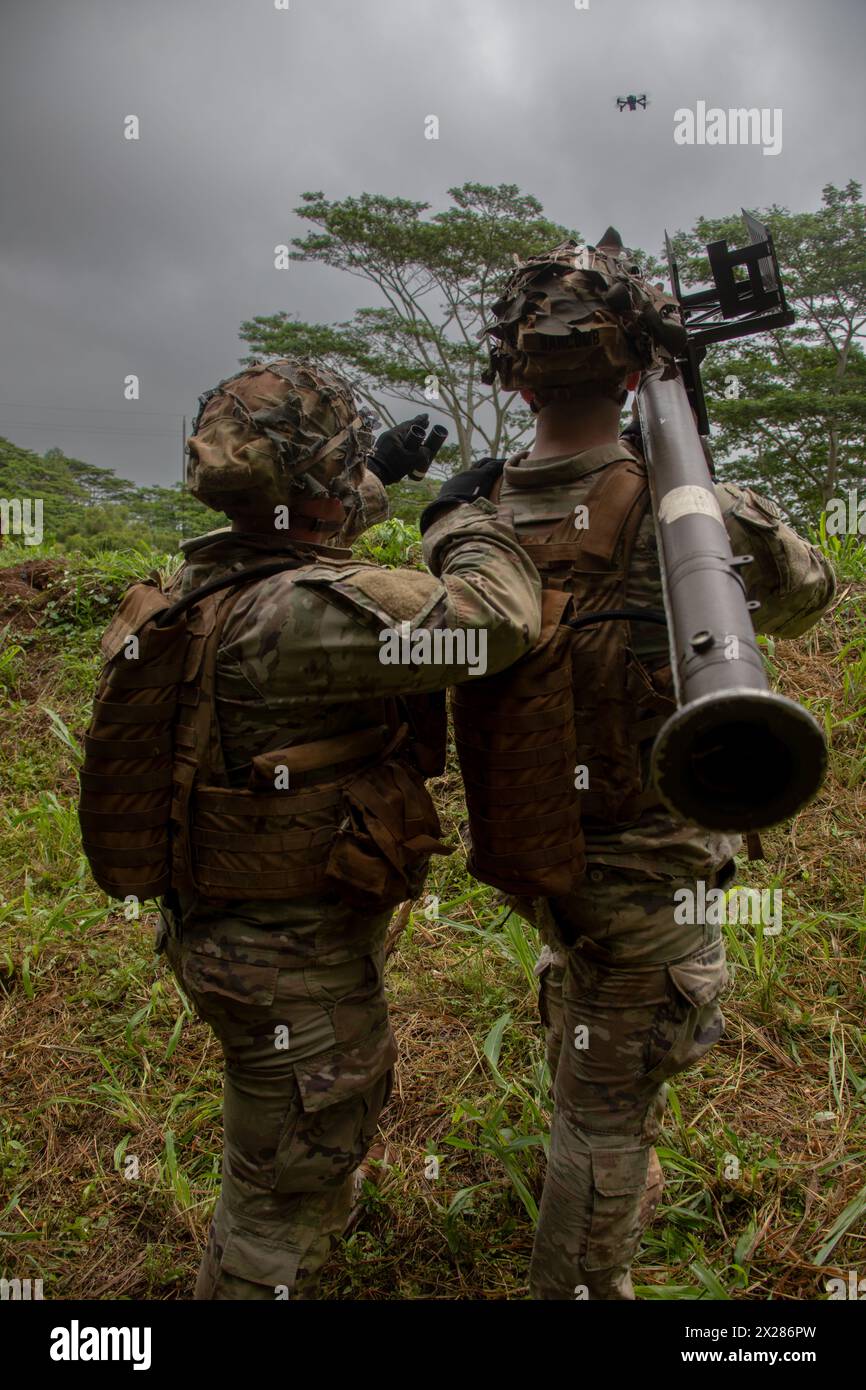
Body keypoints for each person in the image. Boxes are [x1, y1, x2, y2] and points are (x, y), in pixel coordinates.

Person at [420, 238, 836, 1300]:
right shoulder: (700, 511)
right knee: (604, 1116)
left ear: (513, 374)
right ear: (632, 368)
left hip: (530, 838)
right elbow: (803, 592)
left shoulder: (464, 521)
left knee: (588, 1026)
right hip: (646, 863)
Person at [156, 357, 542, 1298]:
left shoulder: (203, 572)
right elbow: (497, 625)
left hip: (227, 934)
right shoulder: (307, 614)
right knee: (278, 1196)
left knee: (285, 1147)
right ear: (315, 487)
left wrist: (377, 475)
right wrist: (463, 524)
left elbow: (300, 522)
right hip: (286, 965)